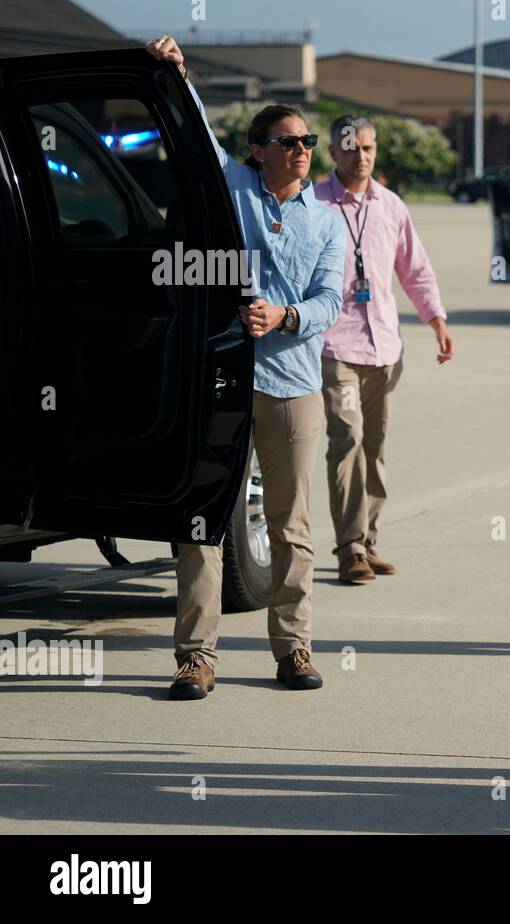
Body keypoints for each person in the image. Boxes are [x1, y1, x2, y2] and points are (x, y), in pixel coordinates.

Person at [145, 35, 346, 698]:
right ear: (258, 150)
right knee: (203, 519)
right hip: (222, 380)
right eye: (287, 141)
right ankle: (196, 657)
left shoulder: (326, 221)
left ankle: (293, 650)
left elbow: (330, 299)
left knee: (290, 526)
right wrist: (179, 73)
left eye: (307, 141)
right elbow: (198, 137)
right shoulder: (234, 189)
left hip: (291, 384)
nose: (301, 150)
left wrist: (283, 317)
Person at [316, 114, 454, 584]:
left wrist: (436, 319)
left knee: (374, 448)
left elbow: (414, 269)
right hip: (334, 347)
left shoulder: (391, 206)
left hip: (384, 347)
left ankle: (369, 541)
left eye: (369, 149)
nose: (361, 157)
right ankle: (349, 548)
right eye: (351, 148)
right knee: (348, 440)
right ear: (333, 153)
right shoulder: (313, 205)